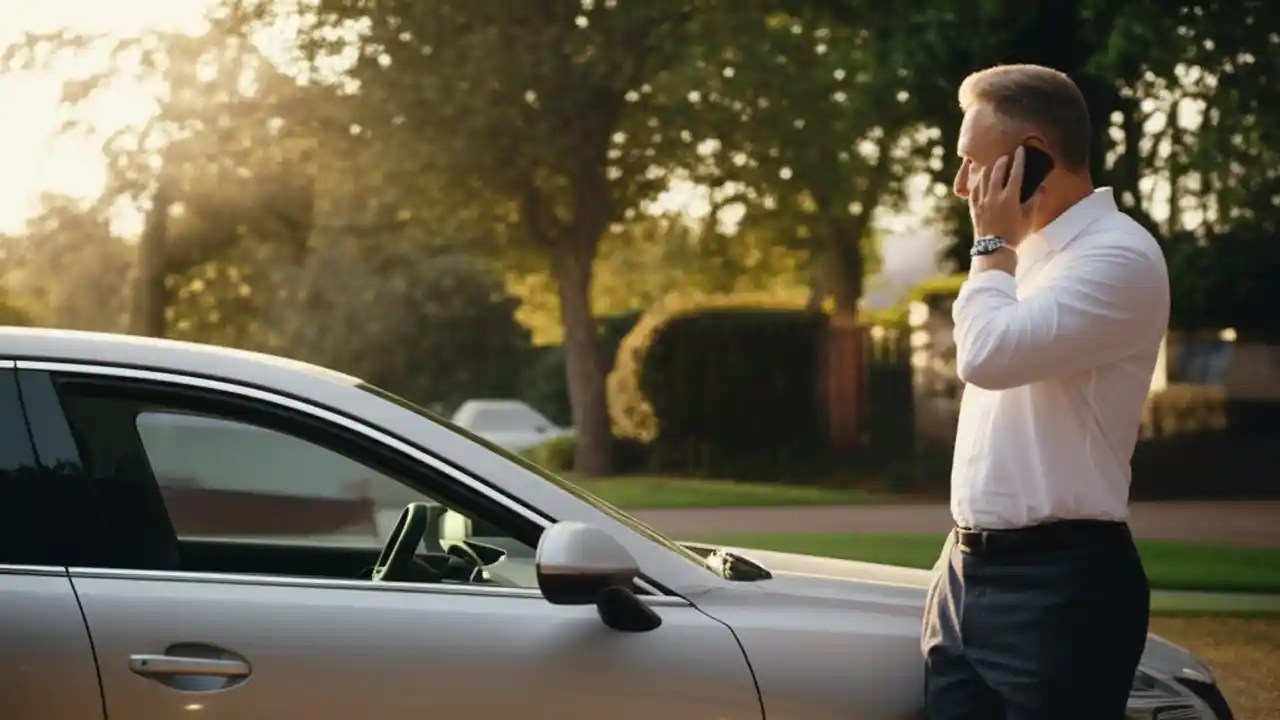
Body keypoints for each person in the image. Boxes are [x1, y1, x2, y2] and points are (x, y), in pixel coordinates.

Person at [921, 63, 1170, 718]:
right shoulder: (1019, 260)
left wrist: (990, 245)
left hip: (1061, 585)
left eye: (973, 164)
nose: (959, 186)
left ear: (1032, 159)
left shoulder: (1119, 257)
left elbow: (986, 355)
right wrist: (999, 253)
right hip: (962, 576)